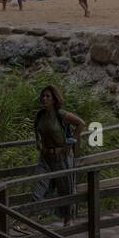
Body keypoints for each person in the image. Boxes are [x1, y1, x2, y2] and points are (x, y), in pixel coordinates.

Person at [30, 86, 86, 224]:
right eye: (43, 96)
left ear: (54, 99)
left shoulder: (61, 114)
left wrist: (70, 142)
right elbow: (36, 127)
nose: (44, 99)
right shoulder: (40, 115)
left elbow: (81, 124)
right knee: (39, 185)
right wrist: (38, 142)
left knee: (66, 188)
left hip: (62, 156)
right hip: (45, 157)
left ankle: (68, 219)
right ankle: (32, 219)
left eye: (48, 96)